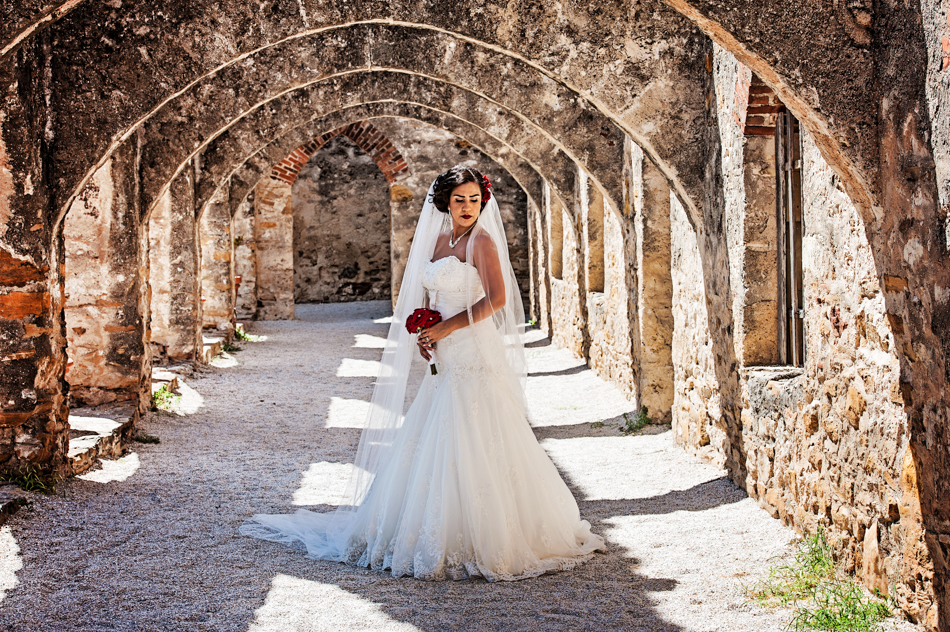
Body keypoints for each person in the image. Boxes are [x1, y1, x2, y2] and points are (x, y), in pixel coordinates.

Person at [241, 165, 605, 581]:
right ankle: (424, 525)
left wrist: (448, 326)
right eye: (459, 200)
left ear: (482, 200)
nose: (468, 207)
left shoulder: (482, 241)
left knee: (476, 425)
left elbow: (499, 299)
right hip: (444, 349)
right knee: (435, 425)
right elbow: (430, 296)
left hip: (472, 348)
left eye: (474, 199)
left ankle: (489, 531)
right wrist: (425, 332)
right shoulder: (435, 239)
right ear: (445, 203)